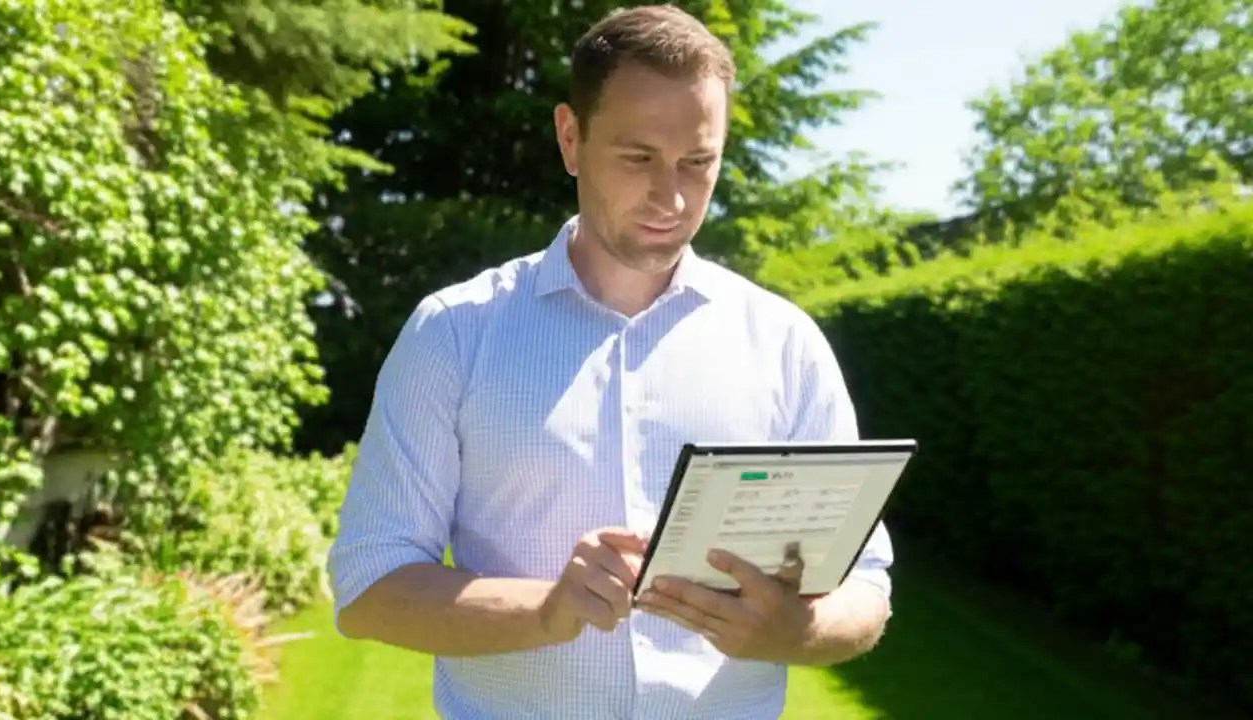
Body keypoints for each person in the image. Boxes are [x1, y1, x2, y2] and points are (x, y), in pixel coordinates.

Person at [327, 4, 894, 718]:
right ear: (571, 138)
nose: (671, 196)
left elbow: (866, 584)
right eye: (638, 157)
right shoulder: (454, 334)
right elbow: (369, 586)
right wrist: (546, 610)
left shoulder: (785, 344)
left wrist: (799, 629)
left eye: (698, 162)